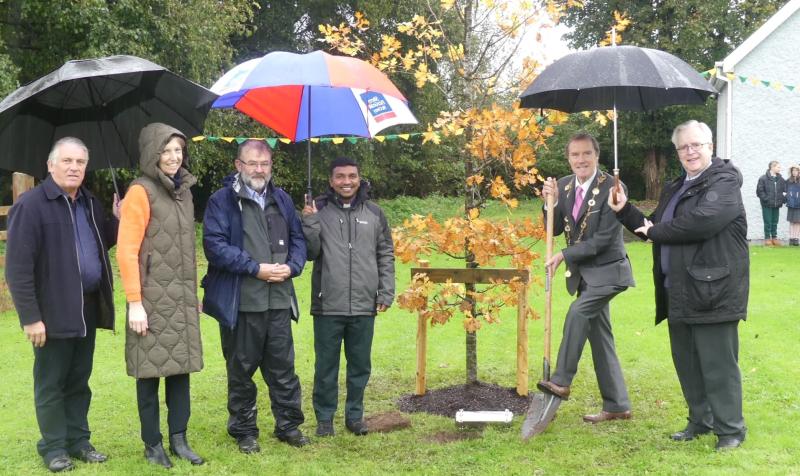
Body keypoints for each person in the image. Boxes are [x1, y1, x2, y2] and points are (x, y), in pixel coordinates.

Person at [608, 120, 748, 450]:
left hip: (715, 290)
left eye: (696, 145)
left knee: (718, 365)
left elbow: (700, 223)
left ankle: (730, 430)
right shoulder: (676, 187)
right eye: (683, 147)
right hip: (679, 290)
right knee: (687, 362)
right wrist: (624, 209)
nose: (690, 151)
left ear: (710, 146)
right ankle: (700, 421)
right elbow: (653, 225)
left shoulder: (724, 182)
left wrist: (655, 231)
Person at [5, 137, 118, 472]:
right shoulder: (31, 205)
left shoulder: (89, 202)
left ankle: (79, 440)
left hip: (87, 307)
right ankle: (54, 448)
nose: (73, 167)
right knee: (51, 382)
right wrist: (30, 318)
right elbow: (18, 268)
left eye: (80, 162)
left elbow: (101, 242)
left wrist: (116, 219)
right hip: (51, 313)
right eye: (66, 161)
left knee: (79, 379)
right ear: (50, 165)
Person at [202, 140, 309, 453]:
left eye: (264, 164)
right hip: (242, 302)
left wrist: (292, 267)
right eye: (252, 163)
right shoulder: (221, 201)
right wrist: (255, 268)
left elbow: (299, 240)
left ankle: (289, 426)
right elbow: (215, 246)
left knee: (283, 369)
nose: (259, 170)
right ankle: (244, 431)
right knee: (241, 370)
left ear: (271, 165)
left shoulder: (283, 200)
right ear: (239, 165)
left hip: (278, 299)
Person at [116, 123, 204, 468]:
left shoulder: (185, 192)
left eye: (178, 150)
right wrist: (135, 303)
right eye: (166, 150)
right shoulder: (140, 191)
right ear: (152, 154)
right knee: (149, 374)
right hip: (149, 300)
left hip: (179, 297)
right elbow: (126, 251)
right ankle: (153, 445)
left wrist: (190, 292)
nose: (173, 157)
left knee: (180, 370)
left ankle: (180, 439)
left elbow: (184, 249)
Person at [536, 132, 635, 424]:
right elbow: (553, 230)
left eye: (586, 154)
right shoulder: (564, 186)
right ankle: (617, 405)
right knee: (600, 337)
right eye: (574, 155)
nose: (580, 160)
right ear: (568, 158)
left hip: (609, 272)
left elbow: (605, 239)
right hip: (585, 276)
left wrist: (565, 255)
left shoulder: (614, 187)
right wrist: (548, 203)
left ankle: (561, 380)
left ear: (597, 156)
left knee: (578, 312)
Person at [301, 157, 395, 437]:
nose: (346, 181)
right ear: (331, 181)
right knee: (326, 367)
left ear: (359, 178)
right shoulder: (316, 209)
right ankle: (325, 419)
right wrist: (309, 223)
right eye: (340, 177)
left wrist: (386, 291)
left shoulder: (375, 213)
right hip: (328, 302)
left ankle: (355, 416)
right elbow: (310, 252)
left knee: (360, 366)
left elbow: (385, 254)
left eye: (351, 176)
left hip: (365, 303)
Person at [756, 160, 786, 245]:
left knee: (775, 221)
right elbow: (759, 191)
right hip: (767, 204)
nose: (780, 168)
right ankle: (767, 239)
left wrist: (782, 200)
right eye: (778, 167)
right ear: (772, 167)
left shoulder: (781, 179)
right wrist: (766, 199)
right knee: (768, 221)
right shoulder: (763, 178)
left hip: (777, 204)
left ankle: (774, 238)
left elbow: (784, 191)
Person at [786, 165, 800, 246]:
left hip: (799, 205)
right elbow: (785, 191)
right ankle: (791, 238)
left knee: (798, 222)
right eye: (793, 170)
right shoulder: (788, 181)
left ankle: (796, 238)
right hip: (791, 205)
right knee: (791, 221)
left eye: (796, 170)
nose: (794, 172)